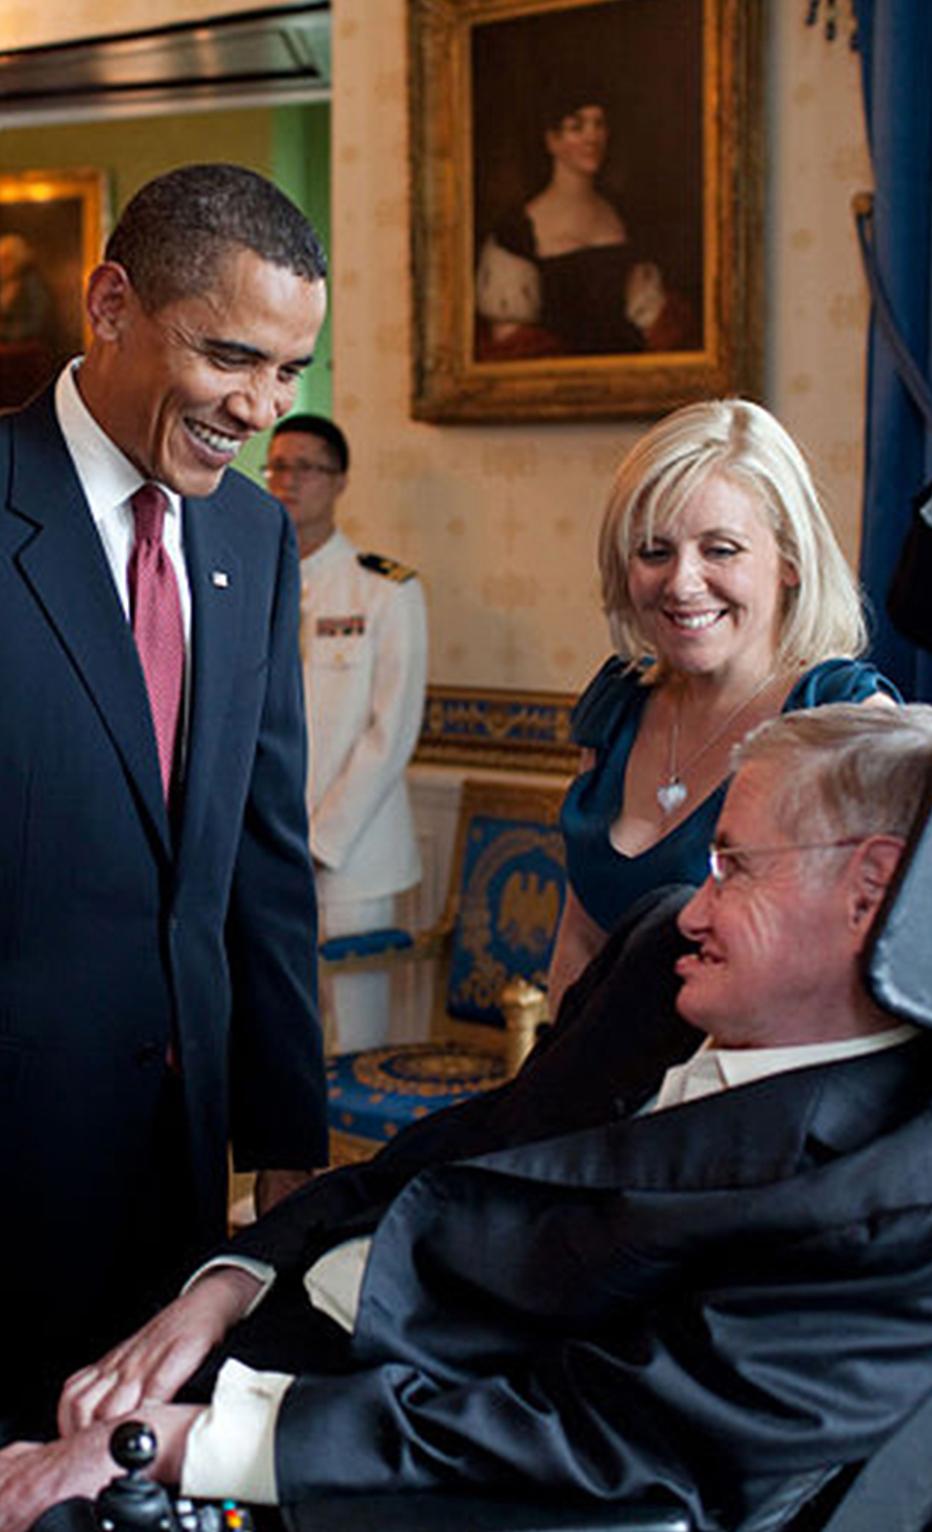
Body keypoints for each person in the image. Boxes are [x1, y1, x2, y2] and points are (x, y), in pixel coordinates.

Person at [6, 703, 932, 1532]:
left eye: (733, 867)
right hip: (260, 1331)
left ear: (869, 890)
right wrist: (229, 1281)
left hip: (366, 1453)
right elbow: (464, 1144)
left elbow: (606, 1437)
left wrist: (186, 1445)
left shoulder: (896, 1205)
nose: (695, 907)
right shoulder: (659, 963)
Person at [0, 163, 330, 1429]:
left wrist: (288, 1133)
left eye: (291, 369)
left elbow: (262, 851)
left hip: (178, 1168)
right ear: (111, 304)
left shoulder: (252, 541)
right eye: (231, 355)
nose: (260, 405)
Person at [547, 397, 901, 1018]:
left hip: (749, 1099)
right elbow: (580, 938)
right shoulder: (616, 707)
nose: (682, 582)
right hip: (599, 1093)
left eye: (721, 550)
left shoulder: (843, 716)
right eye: (655, 552)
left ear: (790, 560)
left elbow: (894, 965)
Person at [263, 414, 428, 1052]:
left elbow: (392, 733)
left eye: (306, 467)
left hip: (352, 856)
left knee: (353, 1038)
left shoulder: (384, 590)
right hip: (264, 846)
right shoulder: (248, 581)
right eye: (277, 465)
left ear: (340, 482)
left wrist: (319, 839)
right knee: (272, 1035)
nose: (287, 480)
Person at [475, 90, 695, 361]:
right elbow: (511, 345)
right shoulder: (515, 232)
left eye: (599, 124)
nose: (592, 137)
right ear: (552, 140)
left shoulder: (626, 216)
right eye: (576, 127)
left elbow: (654, 323)